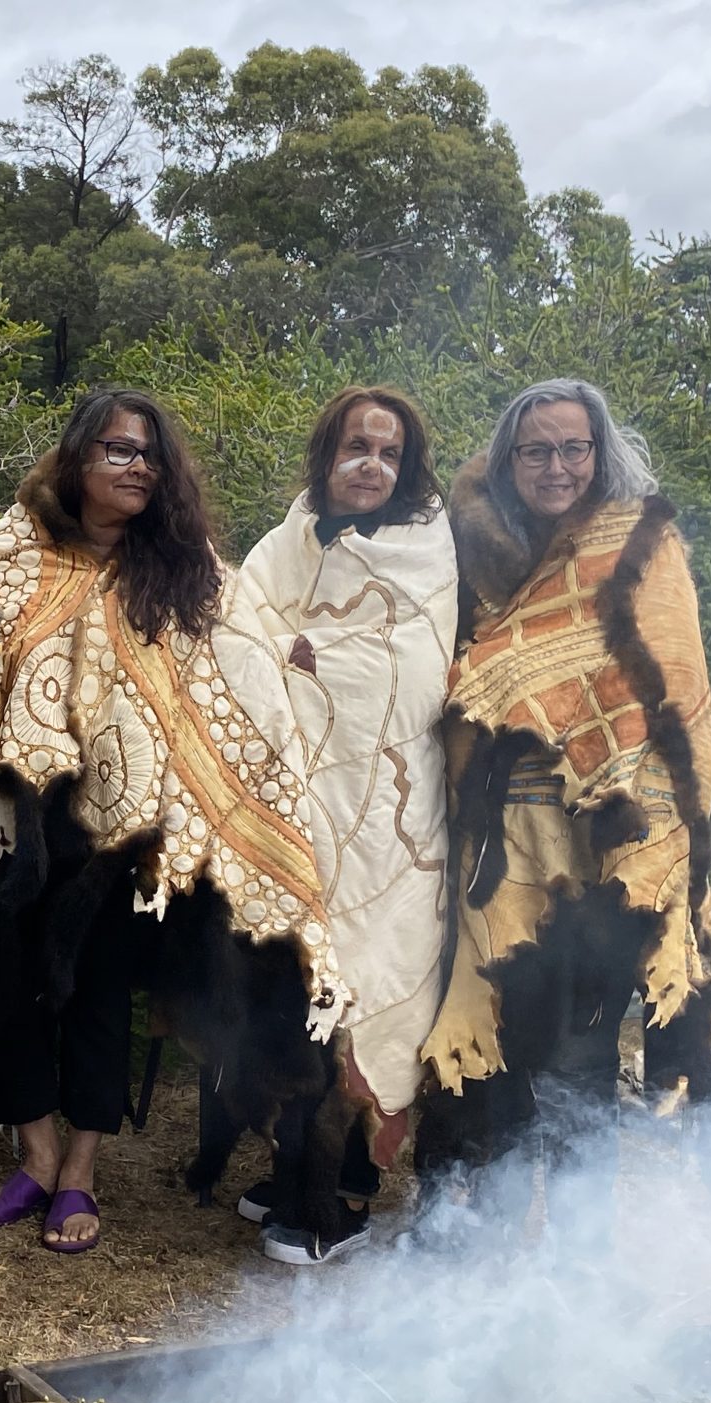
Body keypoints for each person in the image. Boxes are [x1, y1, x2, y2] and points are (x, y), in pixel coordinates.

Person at [0, 388, 349, 1256]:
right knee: (4, 982)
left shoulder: (187, 568)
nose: (137, 468)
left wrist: (291, 669)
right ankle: (35, 1157)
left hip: (130, 828)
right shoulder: (10, 551)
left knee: (99, 992)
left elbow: (241, 666)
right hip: (18, 813)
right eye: (118, 451)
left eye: (150, 455)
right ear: (78, 458)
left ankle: (81, 1170)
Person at [413, 378, 711, 1242]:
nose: (555, 466)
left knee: (583, 1052)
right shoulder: (474, 552)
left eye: (573, 448)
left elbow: (677, 693)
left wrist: (653, 838)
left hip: (604, 847)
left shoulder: (643, 544)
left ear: (600, 452)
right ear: (509, 458)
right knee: (498, 1036)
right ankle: (490, 1236)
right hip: (498, 848)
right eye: (536, 450)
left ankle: (582, 1255)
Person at [223, 386, 457, 1264]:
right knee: (292, 988)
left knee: (367, 982)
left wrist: (304, 659)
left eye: (390, 453)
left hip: (389, 819)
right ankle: (295, 1166)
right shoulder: (285, 543)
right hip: (294, 809)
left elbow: (414, 671)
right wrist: (290, 661)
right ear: (327, 455)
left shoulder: (427, 552)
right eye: (357, 447)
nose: (371, 465)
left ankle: (345, 1188)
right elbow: (234, 639)